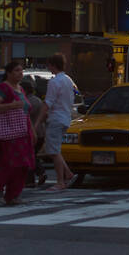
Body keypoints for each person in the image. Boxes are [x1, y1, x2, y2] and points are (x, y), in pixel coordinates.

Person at [0, 61, 35, 205]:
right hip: (10, 132)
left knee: (24, 164)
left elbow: (26, 112)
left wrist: (32, 130)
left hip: (23, 131)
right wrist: (11, 106)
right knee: (12, 163)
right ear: (8, 73)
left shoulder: (20, 88)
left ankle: (13, 194)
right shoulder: (3, 88)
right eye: (16, 70)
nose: (20, 73)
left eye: (21, 70)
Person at [43, 53, 78, 191]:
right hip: (65, 117)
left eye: (49, 65)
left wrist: (39, 118)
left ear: (52, 65)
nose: (48, 68)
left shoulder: (54, 81)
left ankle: (60, 181)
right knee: (55, 149)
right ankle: (68, 174)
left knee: (53, 150)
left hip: (56, 118)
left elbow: (48, 102)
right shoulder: (68, 80)